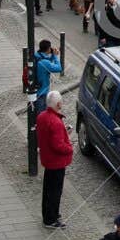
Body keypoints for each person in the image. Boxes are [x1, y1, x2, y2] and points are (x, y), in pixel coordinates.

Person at [36, 91, 73, 229]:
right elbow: (58, 145)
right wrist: (70, 147)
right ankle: (51, 219)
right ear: (58, 104)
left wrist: (64, 133)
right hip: (56, 162)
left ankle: (48, 214)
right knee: (55, 191)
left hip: (47, 159)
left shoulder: (42, 116)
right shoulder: (56, 122)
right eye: (61, 101)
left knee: (48, 189)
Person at [32, 38, 62, 105]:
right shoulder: (45, 63)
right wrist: (55, 56)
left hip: (34, 88)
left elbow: (46, 62)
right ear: (48, 49)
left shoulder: (36, 55)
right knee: (41, 112)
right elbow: (59, 68)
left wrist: (51, 56)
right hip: (42, 92)